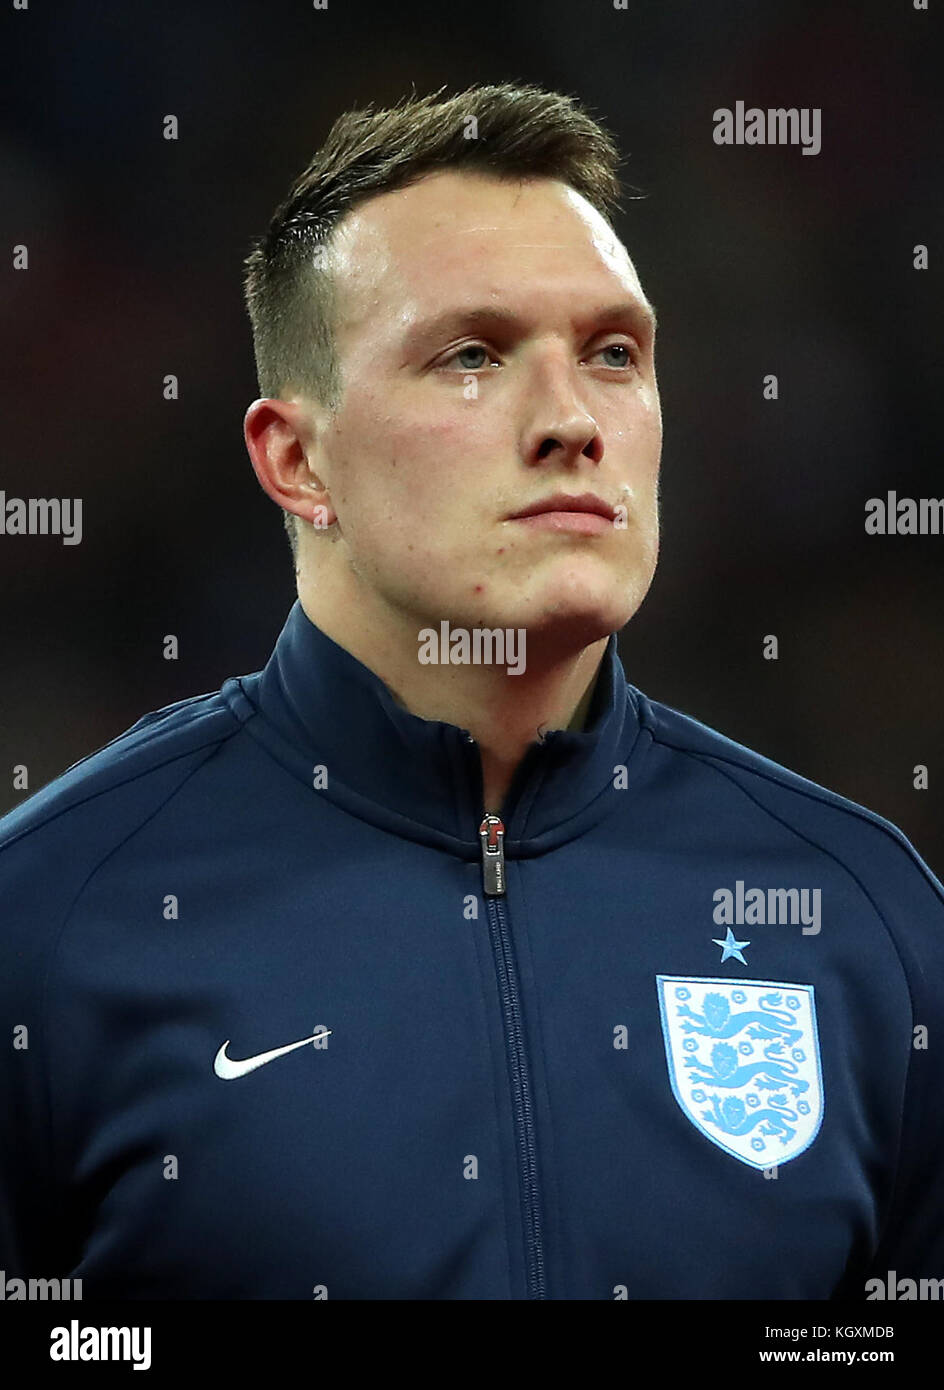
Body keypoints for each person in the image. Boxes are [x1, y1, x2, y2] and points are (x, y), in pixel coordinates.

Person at [1, 82, 942, 1301]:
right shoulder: (53, 920)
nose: (571, 422)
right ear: (298, 459)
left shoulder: (865, 919)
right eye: (471, 356)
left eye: (612, 352)